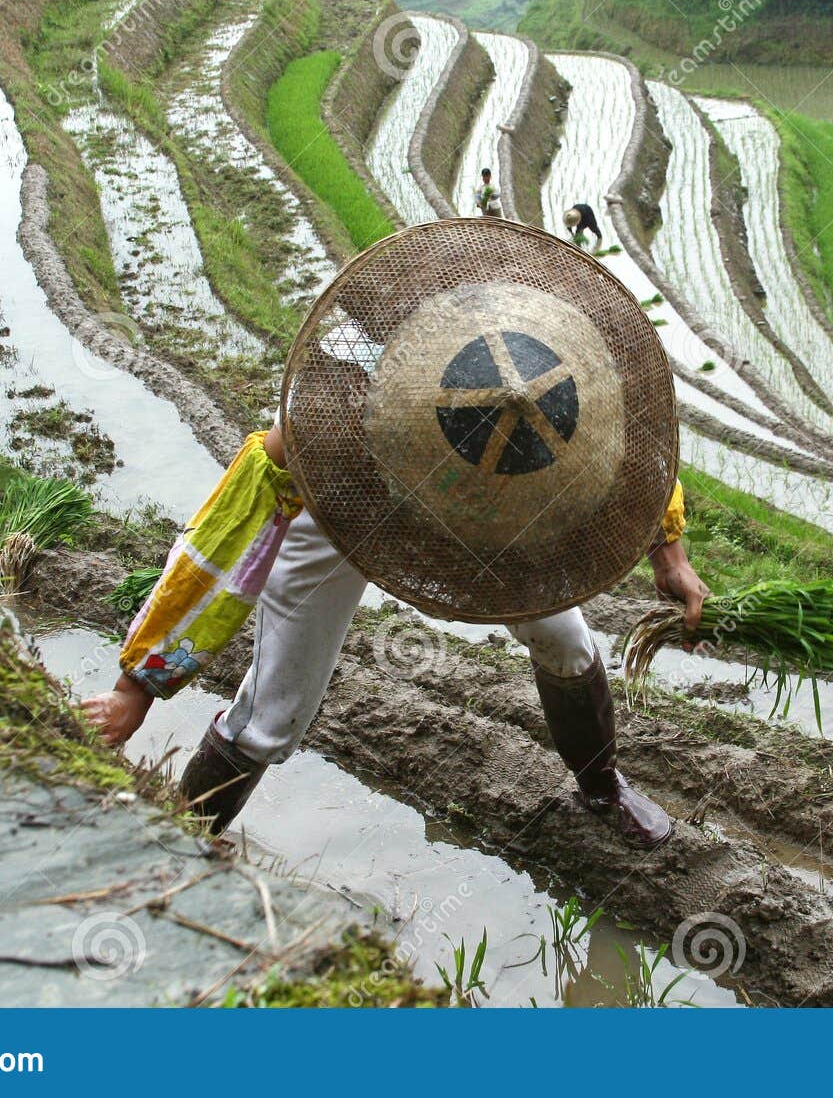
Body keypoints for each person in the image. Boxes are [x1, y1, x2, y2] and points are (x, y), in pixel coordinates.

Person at [82, 232, 710, 850]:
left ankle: (601, 786)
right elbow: (220, 547)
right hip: (342, 504)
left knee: (567, 640)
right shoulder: (324, 427)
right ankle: (181, 844)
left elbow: (630, 461)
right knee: (276, 707)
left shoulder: (557, 362)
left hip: (494, 505)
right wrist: (135, 690)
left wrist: (671, 555)